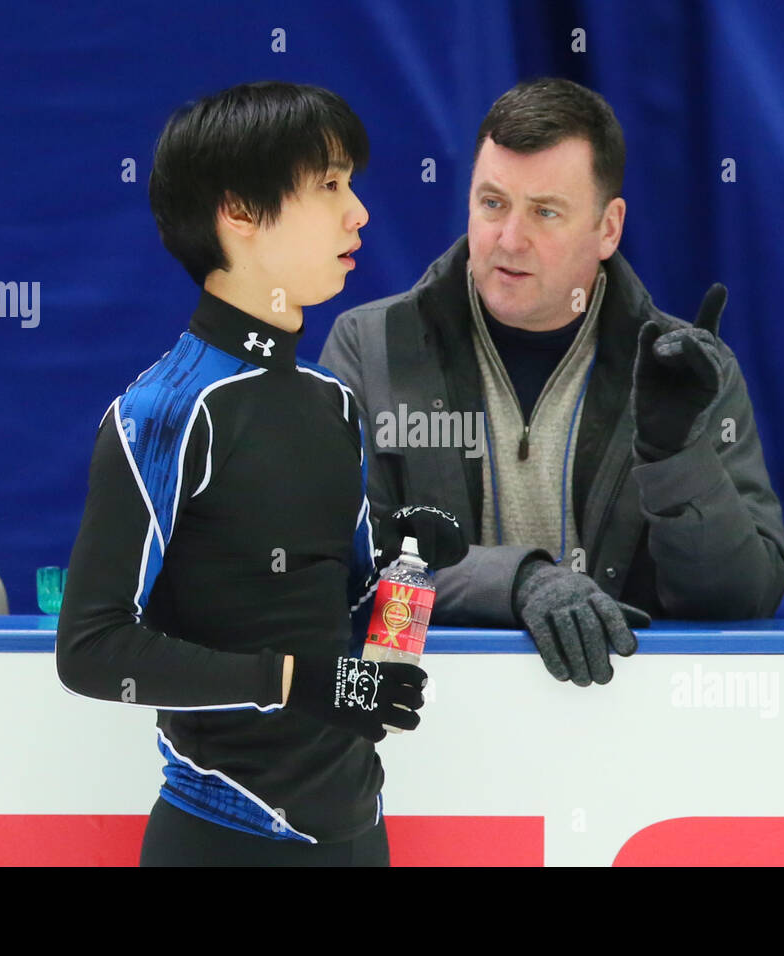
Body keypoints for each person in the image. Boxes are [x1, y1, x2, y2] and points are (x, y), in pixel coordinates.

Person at [55, 81, 466, 867]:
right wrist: (290, 679)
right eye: (330, 185)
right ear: (238, 211)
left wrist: (403, 567)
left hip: (358, 829)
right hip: (224, 837)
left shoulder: (333, 403)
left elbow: (338, 624)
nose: (360, 213)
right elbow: (91, 647)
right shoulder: (166, 412)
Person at [320, 77, 784, 688]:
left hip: (622, 719)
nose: (509, 239)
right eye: (492, 204)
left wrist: (676, 460)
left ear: (608, 228)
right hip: (434, 720)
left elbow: (743, 603)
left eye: (545, 212)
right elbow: (345, 565)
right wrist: (520, 581)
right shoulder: (369, 346)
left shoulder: (691, 369)